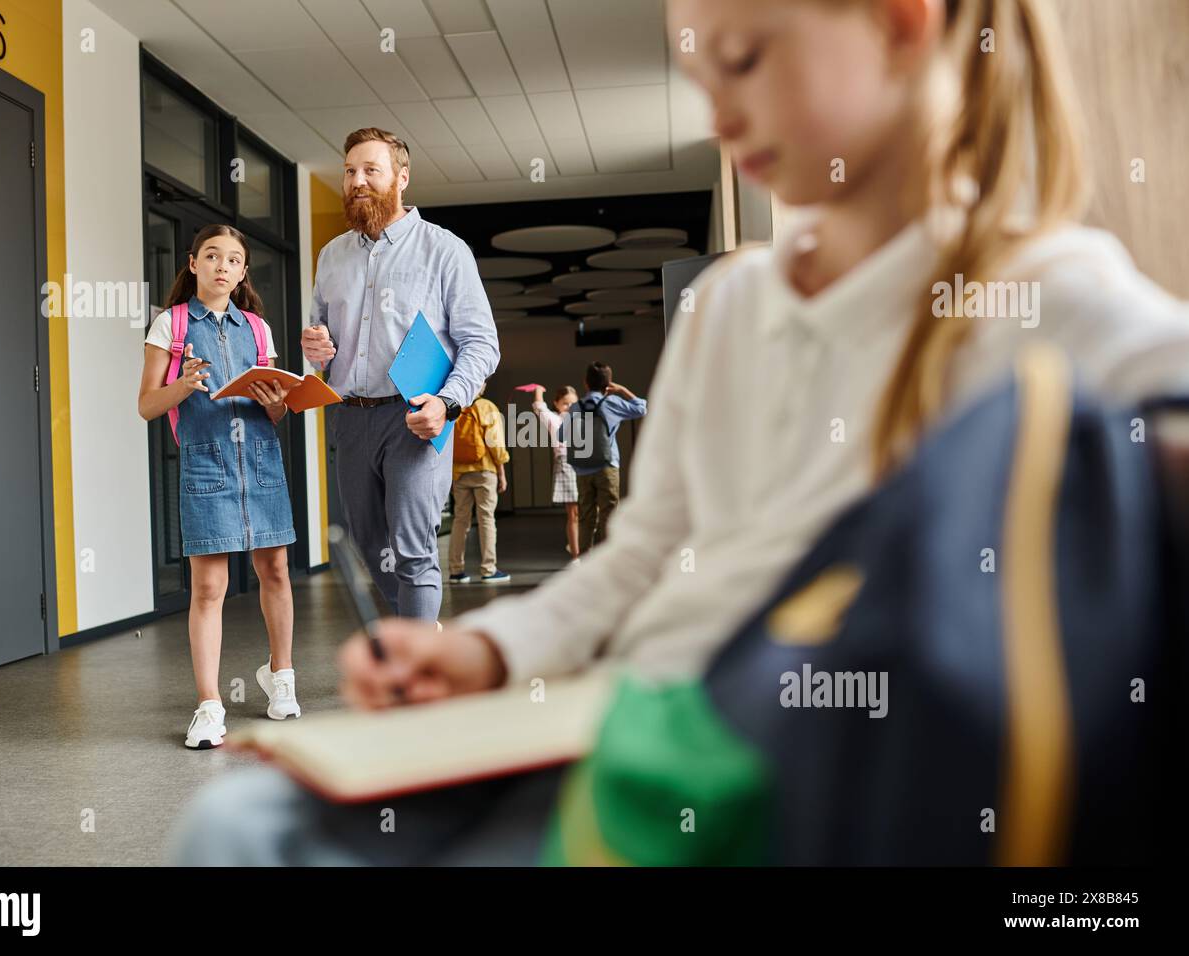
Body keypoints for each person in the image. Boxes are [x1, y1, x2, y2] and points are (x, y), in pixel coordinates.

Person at [172, 0, 1189, 861]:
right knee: (239, 817)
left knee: (247, 832)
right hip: (634, 719)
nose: (719, 108)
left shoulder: (1053, 296)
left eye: (743, 59)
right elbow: (646, 554)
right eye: (700, 73)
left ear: (900, 24)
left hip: (782, 765)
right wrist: (488, 649)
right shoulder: (732, 304)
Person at [300, 128, 499, 622]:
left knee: (412, 550)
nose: (357, 181)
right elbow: (319, 343)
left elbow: (482, 343)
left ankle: (416, 669)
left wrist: (447, 404)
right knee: (370, 544)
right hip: (349, 418)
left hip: (416, 416)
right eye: (349, 172)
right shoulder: (331, 256)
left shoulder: (443, 250)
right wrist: (315, 347)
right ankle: (420, 635)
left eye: (371, 170)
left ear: (401, 178)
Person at [138, 225, 302, 749]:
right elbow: (146, 406)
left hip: (260, 461)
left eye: (233, 259)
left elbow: (273, 413)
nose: (222, 266)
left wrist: (279, 399)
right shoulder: (172, 325)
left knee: (274, 569)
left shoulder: (257, 328)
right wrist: (182, 386)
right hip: (206, 466)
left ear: (242, 271)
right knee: (209, 588)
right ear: (193, 263)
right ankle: (209, 706)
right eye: (212, 256)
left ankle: (281, 679)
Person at [569, 362, 647, 552]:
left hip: (582, 468)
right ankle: (605, 560)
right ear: (608, 384)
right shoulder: (611, 402)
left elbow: (561, 435)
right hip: (607, 466)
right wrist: (622, 390)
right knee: (609, 514)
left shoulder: (575, 407)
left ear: (585, 383)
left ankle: (585, 559)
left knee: (586, 517)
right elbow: (642, 408)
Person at [448, 383, 511, 584]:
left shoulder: (455, 406)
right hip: (484, 470)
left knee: (460, 520)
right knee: (486, 519)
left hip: (458, 472)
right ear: (482, 385)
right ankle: (488, 569)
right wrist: (501, 472)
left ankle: (456, 571)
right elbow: (495, 443)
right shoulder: (486, 407)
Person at [531, 384, 581, 563]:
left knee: (587, 512)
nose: (569, 407)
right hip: (566, 464)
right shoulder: (555, 420)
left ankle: (575, 544)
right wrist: (538, 391)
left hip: (584, 465)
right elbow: (539, 408)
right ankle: (576, 556)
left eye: (573, 404)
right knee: (573, 513)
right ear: (557, 404)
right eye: (565, 404)